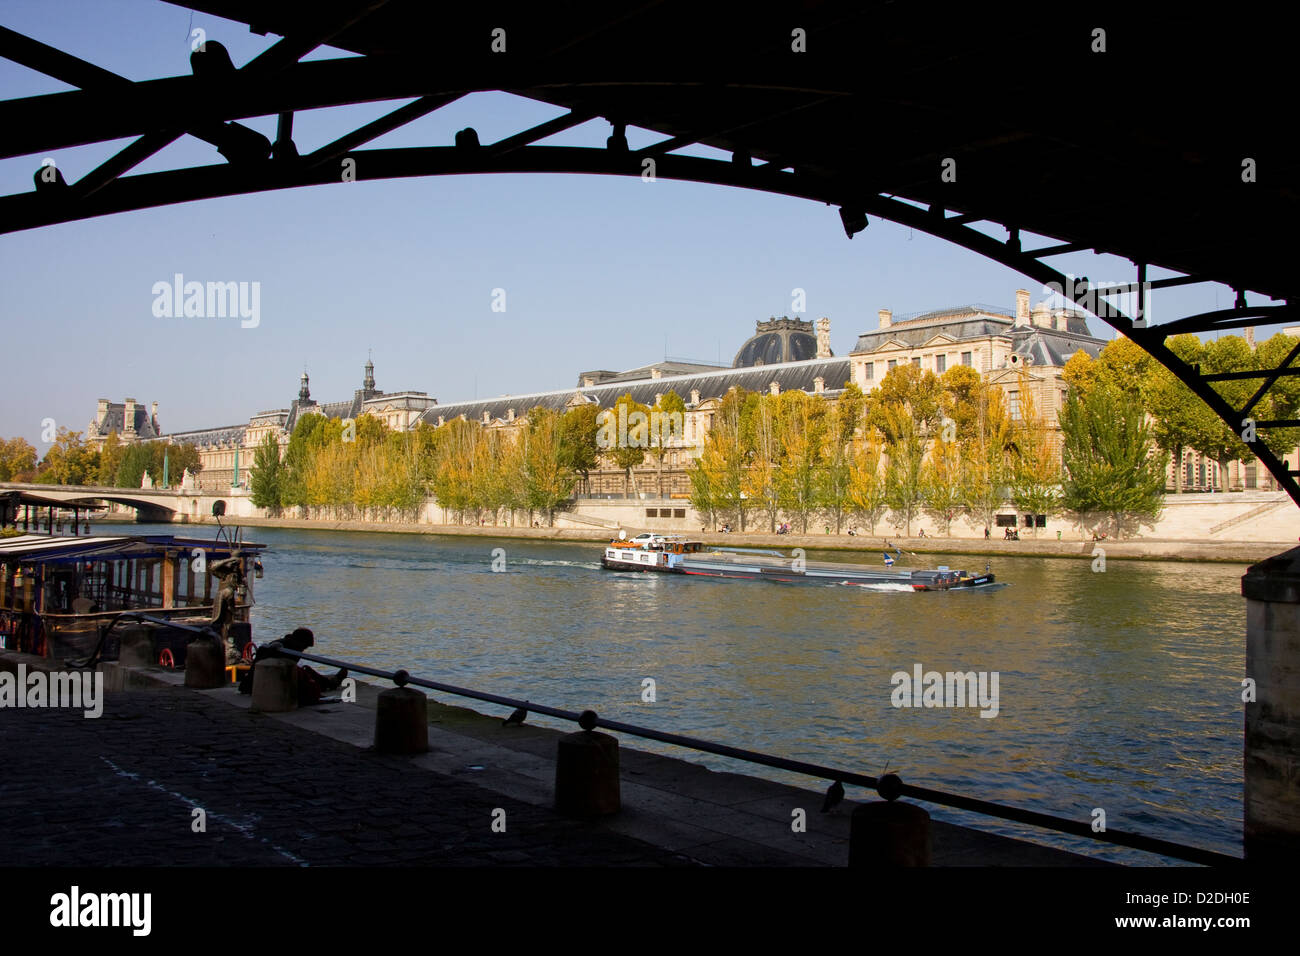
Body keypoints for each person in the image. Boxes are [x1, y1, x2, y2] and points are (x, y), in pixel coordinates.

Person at [238, 627, 347, 705]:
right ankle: (331, 682)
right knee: (304, 672)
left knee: (304, 671)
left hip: (252, 683)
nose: (303, 650)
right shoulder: (287, 650)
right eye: (304, 647)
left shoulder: (281, 645)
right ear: (300, 643)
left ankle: (330, 682)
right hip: (266, 683)